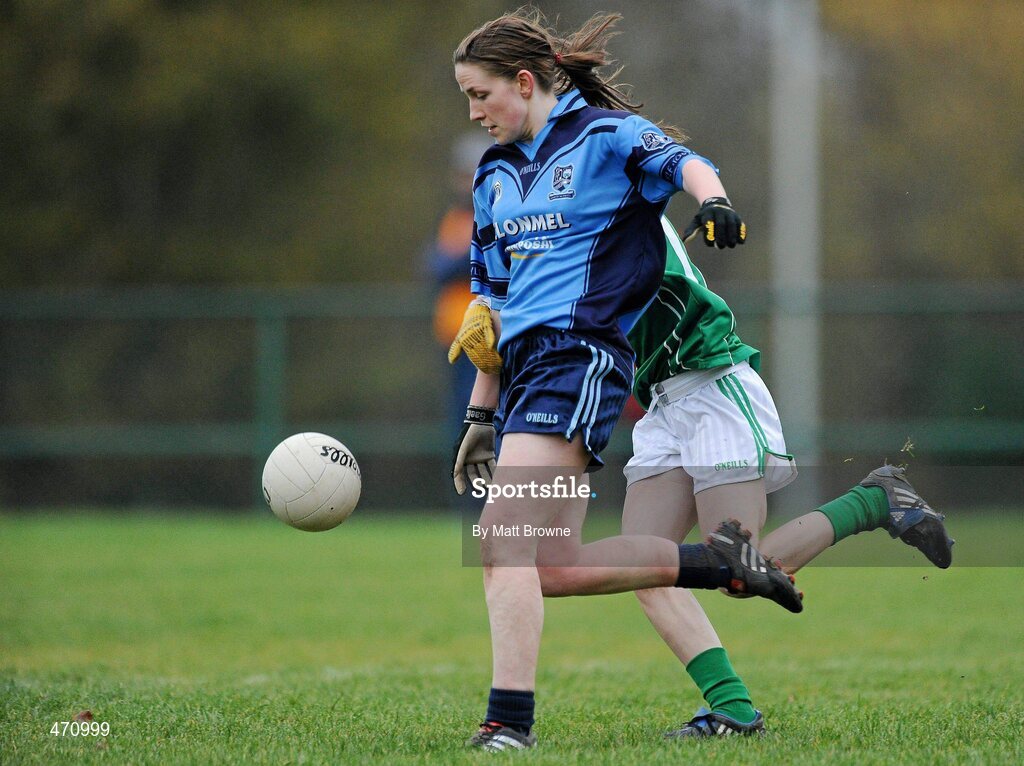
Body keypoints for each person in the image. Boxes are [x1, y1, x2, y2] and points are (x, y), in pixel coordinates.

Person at [447, 9, 798, 752]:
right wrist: (481, 416)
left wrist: (715, 202)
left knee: (500, 544)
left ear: (523, 81)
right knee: (555, 568)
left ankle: (508, 724)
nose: (474, 113)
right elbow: (493, 308)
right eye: (465, 99)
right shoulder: (493, 176)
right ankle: (718, 561)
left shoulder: (603, 138)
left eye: (481, 95)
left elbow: (684, 162)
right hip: (526, 376)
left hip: (580, 361)